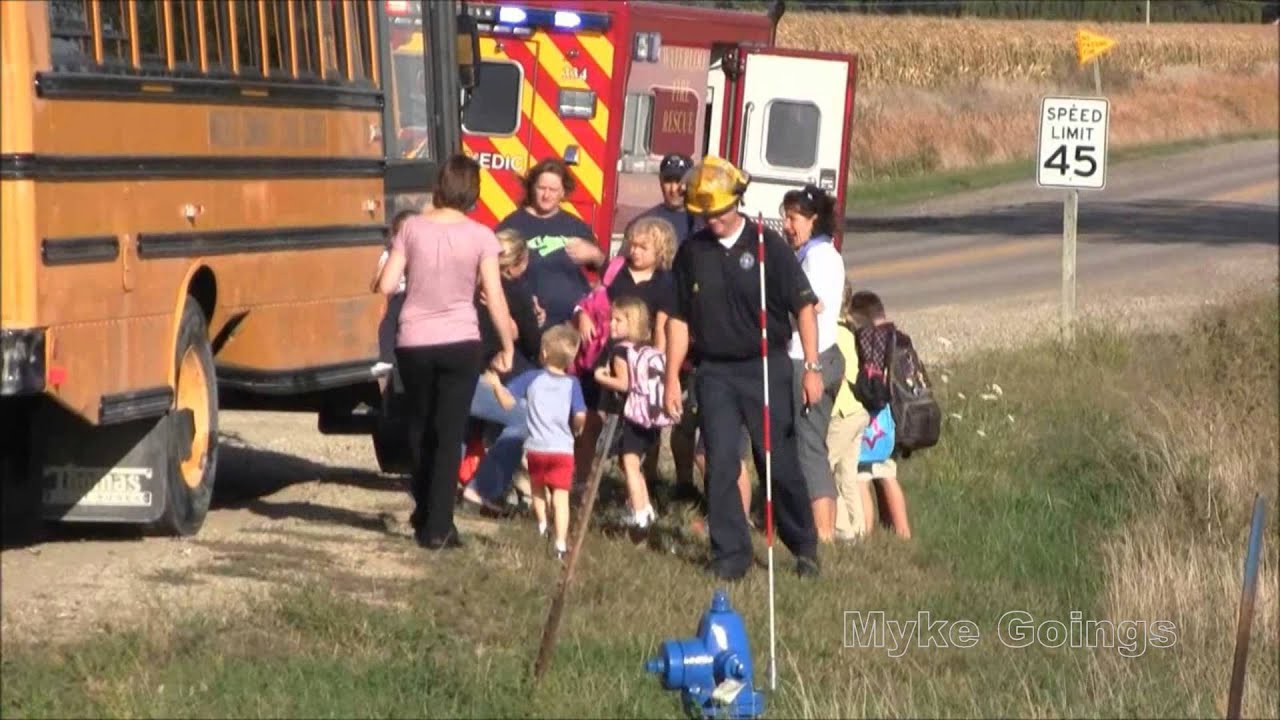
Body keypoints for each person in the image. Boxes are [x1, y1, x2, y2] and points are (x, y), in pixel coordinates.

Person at [662, 156, 824, 580]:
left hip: (766, 366)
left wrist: (811, 367)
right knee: (719, 461)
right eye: (704, 214)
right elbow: (678, 320)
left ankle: (803, 544)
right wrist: (671, 379)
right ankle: (730, 556)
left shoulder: (768, 245)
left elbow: (804, 308)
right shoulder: (691, 253)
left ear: (736, 201)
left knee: (776, 460)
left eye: (719, 211)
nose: (713, 220)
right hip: (714, 370)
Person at [374, 154, 514, 551]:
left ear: (439, 185)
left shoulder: (412, 228)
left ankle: (424, 508)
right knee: (449, 430)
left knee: (419, 426)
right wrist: (505, 344)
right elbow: (495, 298)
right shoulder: (482, 236)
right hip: (461, 341)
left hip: (415, 341)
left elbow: (386, 285)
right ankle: (438, 526)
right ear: (473, 193)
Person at [571, 215, 677, 487]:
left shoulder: (666, 282)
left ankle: (639, 488)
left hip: (639, 361)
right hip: (606, 354)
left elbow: (662, 328)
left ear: (660, 250)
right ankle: (580, 482)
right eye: (633, 245)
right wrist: (583, 316)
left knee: (636, 427)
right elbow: (593, 299)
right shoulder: (616, 270)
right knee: (592, 420)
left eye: (643, 248)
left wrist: (657, 365)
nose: (635, 252)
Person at [781, 184, 847, 543]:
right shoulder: (811, 254)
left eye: (794, 219)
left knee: (809, 446)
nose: (787, 225)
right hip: (812, 356)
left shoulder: (819, 258)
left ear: (814, 220)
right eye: (786, 217)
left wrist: (811, 369)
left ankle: (823, 533)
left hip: (811, 359)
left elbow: (813, 304)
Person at [486, 324, 588, 560]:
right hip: (563, 449)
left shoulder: (532, 378)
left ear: (543, 354)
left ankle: (542, 524)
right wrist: (577, 428)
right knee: (561, 495)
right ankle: (561, 543)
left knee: (538, 489)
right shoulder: (573, 384)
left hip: (536, 447)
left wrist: (495, 384)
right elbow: (580, 415)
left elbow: (508, 403)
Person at [461, 229, 544, 514]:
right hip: (477, 376)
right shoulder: (514, 292)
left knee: (460, 425)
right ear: (517, 263)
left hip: (452, 368)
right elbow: (536, 346)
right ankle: (481, 489)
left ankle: (445, 487)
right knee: (523, 418)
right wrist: (526, 326)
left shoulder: (467, 284)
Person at [496, 158, 604, 328]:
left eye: (553, 190)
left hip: (571, 327)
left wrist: (595, 255)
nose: (546, 195)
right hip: (528, 324)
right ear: (532, 188)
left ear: (563, 192)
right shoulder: (512, 225)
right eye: (541, 188)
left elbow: (607, 272)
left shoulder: (576, 226)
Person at [592, 296, 665, 530]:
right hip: (650, 416)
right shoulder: (645, 348)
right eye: (611, 319)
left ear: (632, 323)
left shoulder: (620, 351)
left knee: (630, 464)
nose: (612, 324)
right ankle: (646, 508)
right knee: (632, 465)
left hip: (632, 417)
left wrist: (602, 377)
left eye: (618, 320)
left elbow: (624, 384)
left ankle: (639, 513)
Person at [848, 290, 912, 539]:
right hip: (890, 419)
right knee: (887, 474)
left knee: (860, 476)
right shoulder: (897, 339)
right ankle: (903, 532)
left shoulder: (864, 343)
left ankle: (865, 533)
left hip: (868, 420)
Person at [828, 284, 873, 541]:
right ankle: (859, 529)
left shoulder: (832, 332)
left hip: (842, 411)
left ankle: (843, 528)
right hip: (860, 409)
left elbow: (837, 373)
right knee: (848, 473)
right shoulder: (852, 328)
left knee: (822, 467)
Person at [371, 209, 418, 390]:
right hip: (397, 296)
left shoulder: (418, 251)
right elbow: (376, 284)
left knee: (391, 321)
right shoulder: (390, 253)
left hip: (411, 295)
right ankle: (387, 359)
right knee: (389, 321)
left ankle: (389, 359)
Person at [633, 153, 702, 247]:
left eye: (679, 181)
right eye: (668, 181)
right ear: (660, 181)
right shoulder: (642, 224)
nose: (673, 189)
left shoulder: (705, 223)